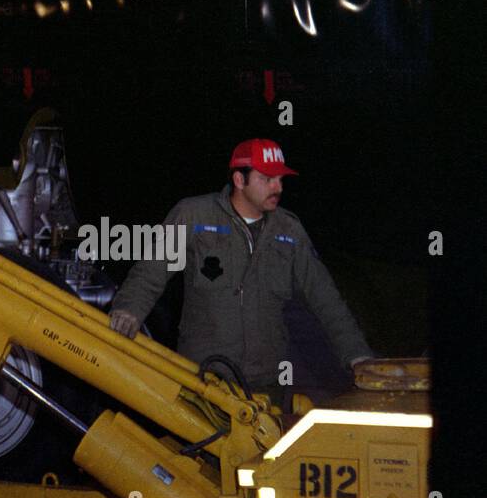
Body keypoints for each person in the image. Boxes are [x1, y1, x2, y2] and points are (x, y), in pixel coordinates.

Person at [108, 139, 372, 396]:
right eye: (267, 179)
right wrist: (128, 310)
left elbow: (325, 297)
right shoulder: (193, 215)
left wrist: (357, 355)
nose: (277, 187)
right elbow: (151, 271)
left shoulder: (289, 229)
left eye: (280, 179)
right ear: (239, 180)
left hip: (268, 383)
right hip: (204, 378)